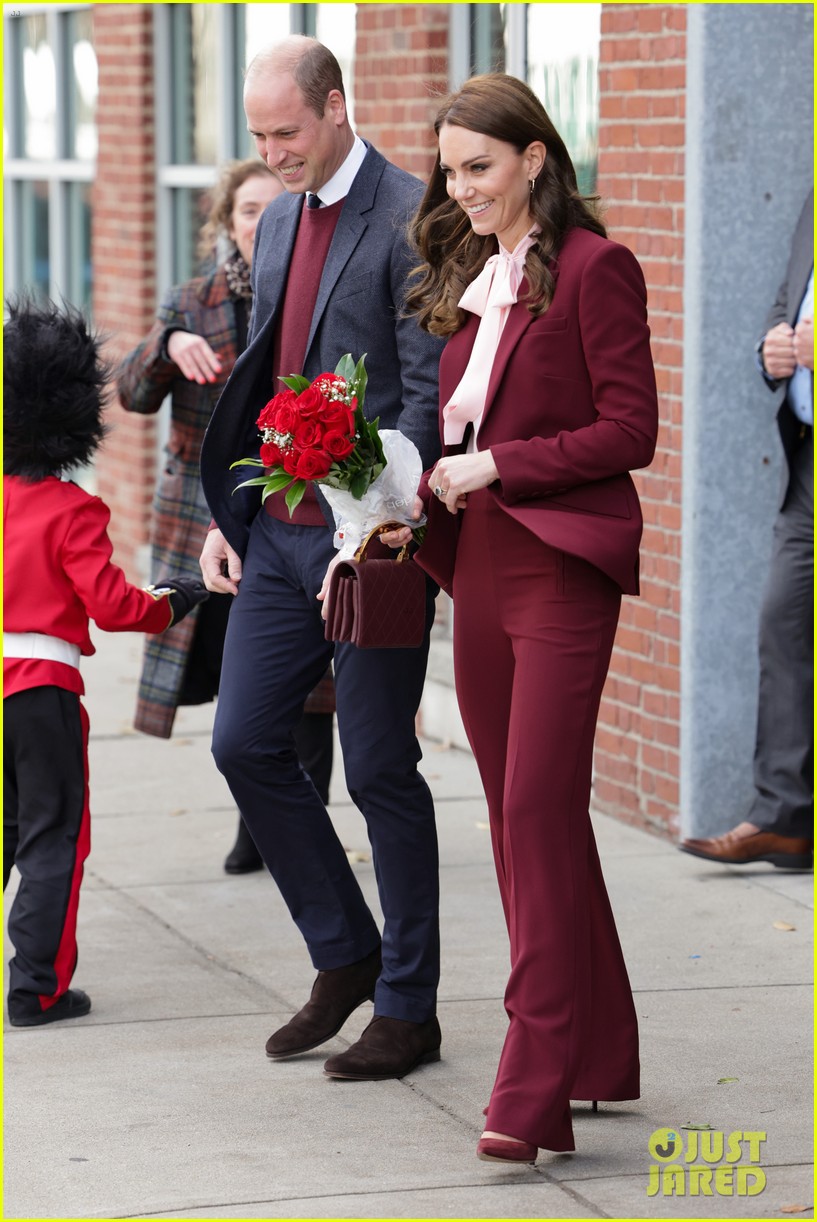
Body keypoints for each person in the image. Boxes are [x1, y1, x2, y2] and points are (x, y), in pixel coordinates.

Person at [397, 73, 658, 1162]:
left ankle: (534, 1080)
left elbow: (628, 431)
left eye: (480, 168)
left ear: (535, 159)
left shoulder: (598, 270)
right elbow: (462, 425)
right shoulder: (480, 274)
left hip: (558, 572)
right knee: (518, 822)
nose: (461, 191)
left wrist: (502, 463)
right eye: (451, 171)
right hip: (484, 572)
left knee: (540, 815)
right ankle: (599, 1054)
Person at [199, 36, 445, 1080]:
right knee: (242, 741)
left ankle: (408, 1004)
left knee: (384, 767)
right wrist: (233, 510)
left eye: (286, 133)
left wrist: (401, 513)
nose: (272, 155)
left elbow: (427, 389)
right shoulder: (284, 212)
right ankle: (346, 953)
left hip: (373, 540)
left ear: (336, 106)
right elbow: (271, 373)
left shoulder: (410, 215)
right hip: (279, 533)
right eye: (257, 137)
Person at [117, 159, 336, 876]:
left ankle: (293, 830)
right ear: (226, 222)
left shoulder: (313, 289)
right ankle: (260, 816)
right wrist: (166, 347)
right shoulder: (194, 298)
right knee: (234, 675)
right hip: (203, 513)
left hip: (293, 507)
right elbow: (130, 393)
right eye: (247, 210)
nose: (261, 223)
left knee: (306, 685)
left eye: (275, 209)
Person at [3, 298, 208, 1026]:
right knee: (52, 836)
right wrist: (177, 600)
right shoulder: (69, 508)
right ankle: (37, 988)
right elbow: (118, 607)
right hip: (40, 690)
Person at [680, 190, 814, 870]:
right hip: (807, 466)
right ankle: (784, 817)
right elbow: (786, 303)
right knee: (781, 624)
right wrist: (774, 347)